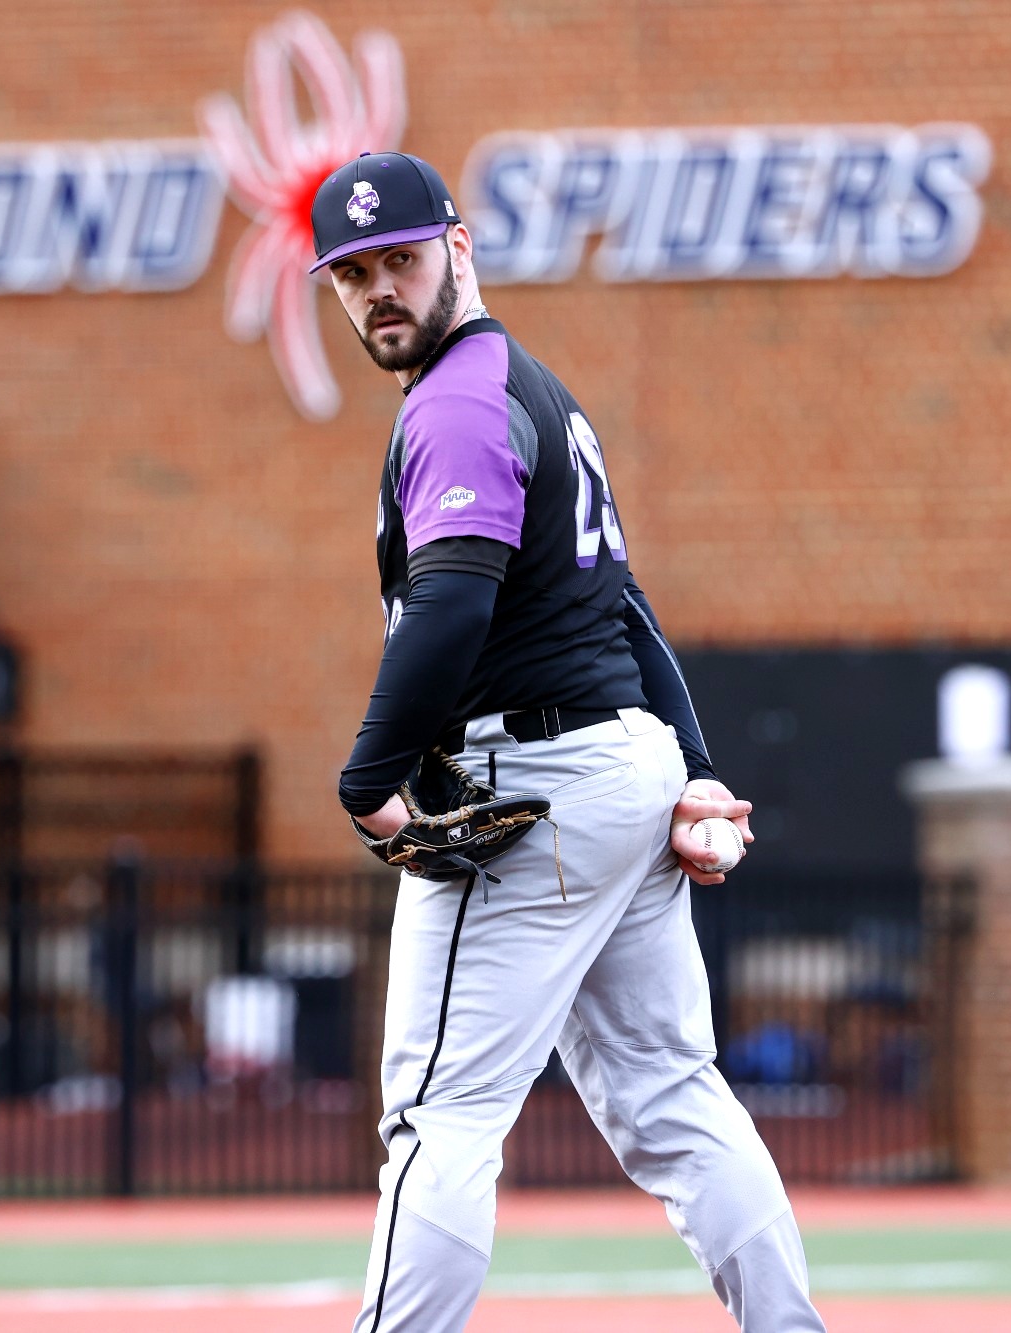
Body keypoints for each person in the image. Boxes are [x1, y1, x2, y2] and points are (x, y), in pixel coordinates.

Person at [311, 151, 826, 1333]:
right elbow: (625, 606)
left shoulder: (454, 399)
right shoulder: (533, 388)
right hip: (618, 775)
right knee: (671, 1092)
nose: (378, 289)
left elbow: (449, 605)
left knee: (439, 1113)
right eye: (351, 274)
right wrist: (690, 762)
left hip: (527, 795)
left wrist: (367, 783)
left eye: (399, 259)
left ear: (458, 247)